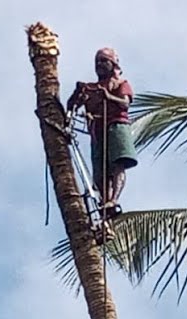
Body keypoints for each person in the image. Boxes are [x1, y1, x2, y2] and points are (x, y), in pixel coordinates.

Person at [65, 47, 137, 220]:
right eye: (97, 61)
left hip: (116, 126)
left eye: (104, 61)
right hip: (97, 131)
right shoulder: (90, 89)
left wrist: (108, 97)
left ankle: (113, 200)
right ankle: (105, 201)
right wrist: (77, 97)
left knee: (118, 163)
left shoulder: (121, 83)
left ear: (113, 64)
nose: (99, 64)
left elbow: (125, 104)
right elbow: (72, 105)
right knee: (99, 173)